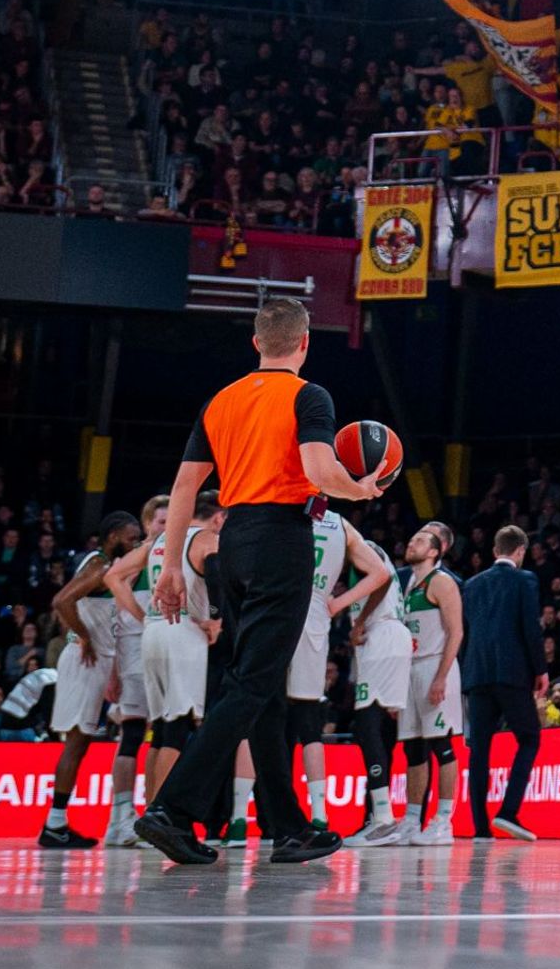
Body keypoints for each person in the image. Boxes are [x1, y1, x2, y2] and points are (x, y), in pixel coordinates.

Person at [128, 297, 384, 867]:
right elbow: (320, 472)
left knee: (258, 683)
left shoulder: (221, 400)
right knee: (253, 684)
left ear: (256, 343)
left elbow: (185, 487)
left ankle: (288, 826)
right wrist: (360, 489)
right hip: (280, 539)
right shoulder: (308, 395)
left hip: (234, 538)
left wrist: (171, 564)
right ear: (305, 343)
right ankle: (172, 808)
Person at [36, 511, 144, 848]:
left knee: (80, 743)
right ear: (112, 536)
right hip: (85, 660)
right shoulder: (98, 565)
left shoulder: (106, 566)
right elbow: (61, 600)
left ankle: (57, 822)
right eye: (131, 536)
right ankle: (54, 825)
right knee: (76, 742)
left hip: (95, 661)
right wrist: (83, 635)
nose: (135, 542)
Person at [107, 494, 214, 830]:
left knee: (162, 726)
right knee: (177, 726)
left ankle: (151, 813)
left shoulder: (160, 542)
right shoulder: (198, 538)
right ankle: (165, 816)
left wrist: (143, 616)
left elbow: (114, 577)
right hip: (181, 630)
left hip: (153, 631)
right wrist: (216, 619)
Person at [283, 500, 387, 837]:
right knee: (308, 720)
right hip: (314, 613)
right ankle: (320, 813)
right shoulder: (340, 524)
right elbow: (381, 572)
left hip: (277, 606)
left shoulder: (281, 509)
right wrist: (338, 603)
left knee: (261, 715)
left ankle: (241, 818)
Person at [460, 526, 546, 841]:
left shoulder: (471, 584)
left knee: (479, 749)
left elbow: (464, 632)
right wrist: (541, 669)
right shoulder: (525, 580)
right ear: (520, 551)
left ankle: (480, 827)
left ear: (495, 550)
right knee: (529, 738)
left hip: (477, 674)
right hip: (512, 674)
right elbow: (530, 628)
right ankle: (509, 812)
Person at [338, 521, 414, 845]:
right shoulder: (367, 550)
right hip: (388, 638)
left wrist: (360, 620)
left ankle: (383, 816)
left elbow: (380, 581)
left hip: (381, 635)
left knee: (366, 725)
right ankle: (375, 816)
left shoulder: (360, 549)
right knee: (381, 730)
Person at [392, 523, 466, 846]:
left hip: (437, 667)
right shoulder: (409, 584)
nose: (412, 542)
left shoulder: (442, 582)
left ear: (435, 551)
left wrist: (440, 676)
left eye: (419, 539)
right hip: (411, 671)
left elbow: (456, 632)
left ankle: (444, 820)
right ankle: (411, 819)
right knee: (414, 749)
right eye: (411, 538)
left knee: (442, 745)